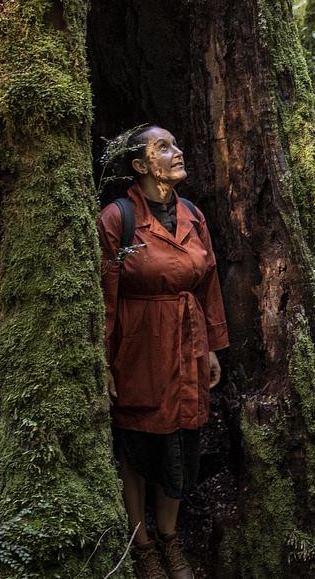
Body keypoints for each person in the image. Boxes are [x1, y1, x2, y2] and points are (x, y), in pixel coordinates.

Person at [97, 124, 228, 579]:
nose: (177, 152)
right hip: (137, 345)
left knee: (182, 435)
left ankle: (170, 538)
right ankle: (143, 543)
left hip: (187, 340)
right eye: (163, 147)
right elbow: (105, 295)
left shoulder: (192, 214)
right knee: (137, 437)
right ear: (140, 165)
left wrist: (212, 345)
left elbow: (208, 281)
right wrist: (104, 360)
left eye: (176, 143)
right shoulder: (117, 218)